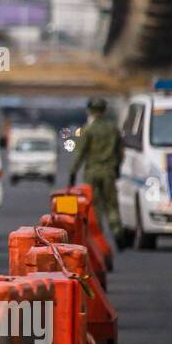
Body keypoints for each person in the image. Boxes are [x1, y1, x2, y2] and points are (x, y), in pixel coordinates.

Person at [69, 96, 124, 243]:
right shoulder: (113, 129)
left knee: (94, 206)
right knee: (111, 204)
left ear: (90, 111)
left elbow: (80, 154)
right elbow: (120, 153)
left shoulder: (88, 130)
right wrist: (116, 168)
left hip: (92, 173)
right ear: (104, 110)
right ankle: (116, 229)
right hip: (109, 171)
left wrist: (73, 173)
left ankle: (98, 236)